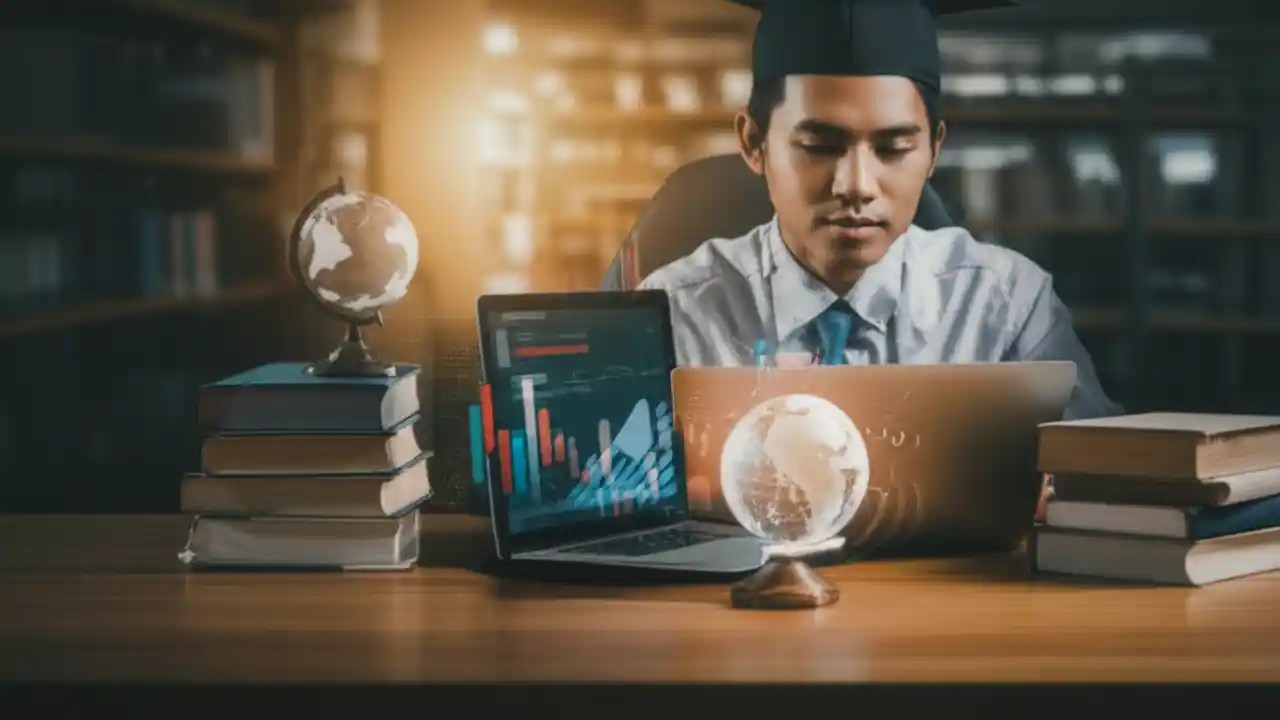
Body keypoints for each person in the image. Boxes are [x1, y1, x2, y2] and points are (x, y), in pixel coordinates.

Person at [638, 0, 1122, 420]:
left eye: (893, 149)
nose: (856, 186)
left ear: (933, 149)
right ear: (753, 143)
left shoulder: (1006, 306)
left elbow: (1098, 483)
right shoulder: (677, 317)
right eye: (819, 145)